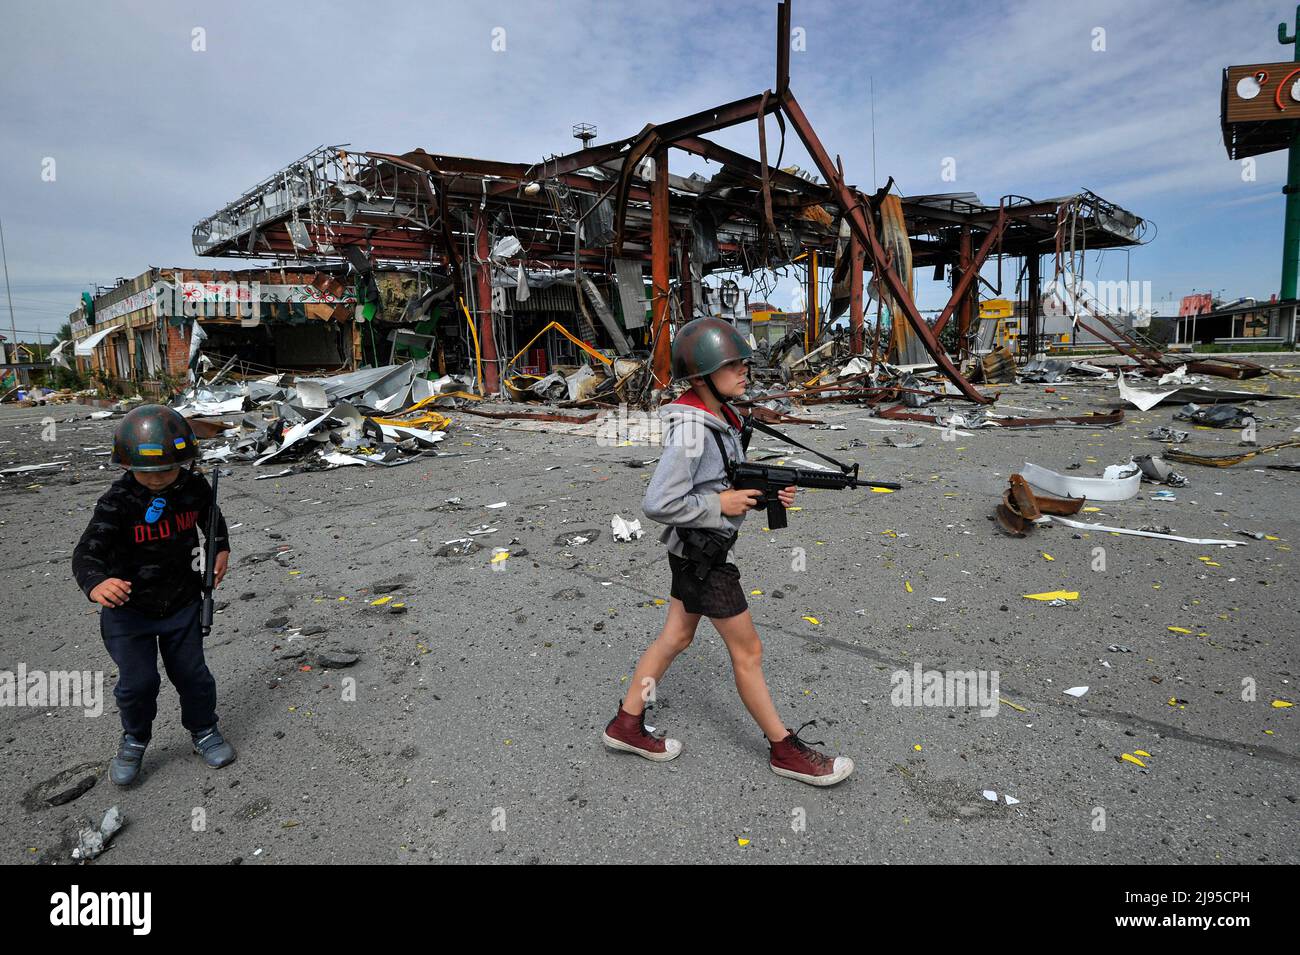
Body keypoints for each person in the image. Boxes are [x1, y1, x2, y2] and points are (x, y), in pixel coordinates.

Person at [601, 317, 854, 786]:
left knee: (676, 637)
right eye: (732, 365)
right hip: (705, 559)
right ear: (701, 377)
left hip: (693, 551)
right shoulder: (693, 429)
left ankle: (626, 724)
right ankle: (784, 750)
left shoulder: (720, 417)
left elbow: (720, 482)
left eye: (743, 364)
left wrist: (762, 493)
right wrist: (719, 503)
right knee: (749, 650)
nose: (744, 372)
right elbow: (659, 502)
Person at [72, 404, 234, 785]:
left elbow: (212, 521)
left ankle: (204, 730)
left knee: (193, 676)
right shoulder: (117, 501)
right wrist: (96, 583)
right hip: (129, 613)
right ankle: (135, 739)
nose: (159, 478)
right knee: (138, 683)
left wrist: (221, 549)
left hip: (182, 602)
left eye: (167, 468)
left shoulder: (194, 486)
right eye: (148, 471)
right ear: (128, 466)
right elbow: (86, 553)